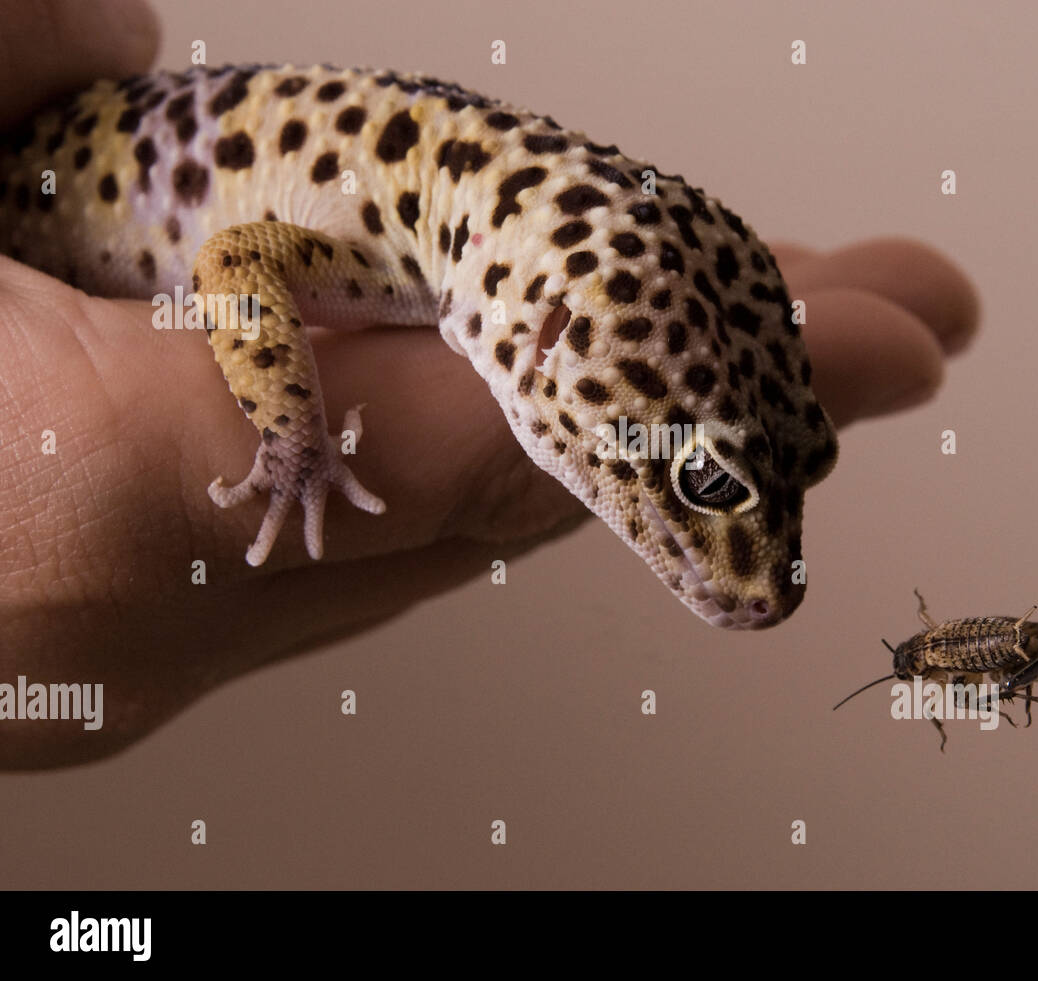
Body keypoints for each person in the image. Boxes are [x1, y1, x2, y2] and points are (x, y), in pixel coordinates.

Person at [0, 0, 979, 768]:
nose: (769, 584)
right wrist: (291, 433)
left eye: (790, 457)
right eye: (704, 481)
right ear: (546, 335)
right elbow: (232, 265)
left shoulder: (506, 244)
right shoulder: (404, 249)